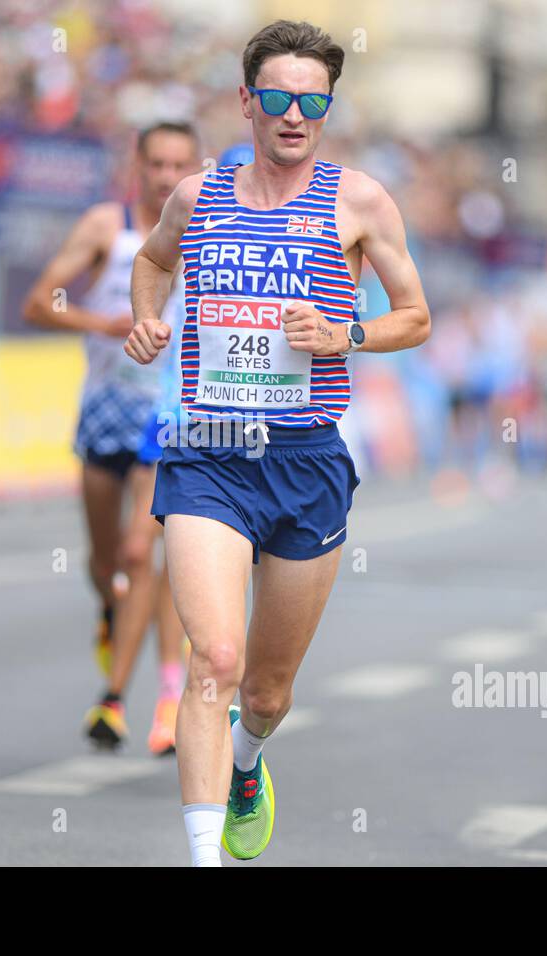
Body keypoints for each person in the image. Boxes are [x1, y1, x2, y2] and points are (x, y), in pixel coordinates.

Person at [125, 20, 431, 866]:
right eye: (277, 97)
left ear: (327, 107)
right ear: (246, 101)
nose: (293, 115)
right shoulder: (196, 196)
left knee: (264, 689)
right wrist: (149, 317)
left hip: (306, 465)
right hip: (207, 453)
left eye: (312, 101)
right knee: (214, 657)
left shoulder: (360, 200)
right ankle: (202, 858)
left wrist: (346, 332)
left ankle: (249, 762)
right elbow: (153, 261)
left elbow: (416, 315)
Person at [23, 122, 201, 754]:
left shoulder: (210, 226)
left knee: (138, 552)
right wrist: (105, 321)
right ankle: (110, 610)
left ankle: (125, 699)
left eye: (179, 162)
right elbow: (40, 303)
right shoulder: (108, 226)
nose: (165, 174)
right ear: (138, 165)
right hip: (105, 407)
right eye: (156, 162)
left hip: (170, 414)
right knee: (105, 563)